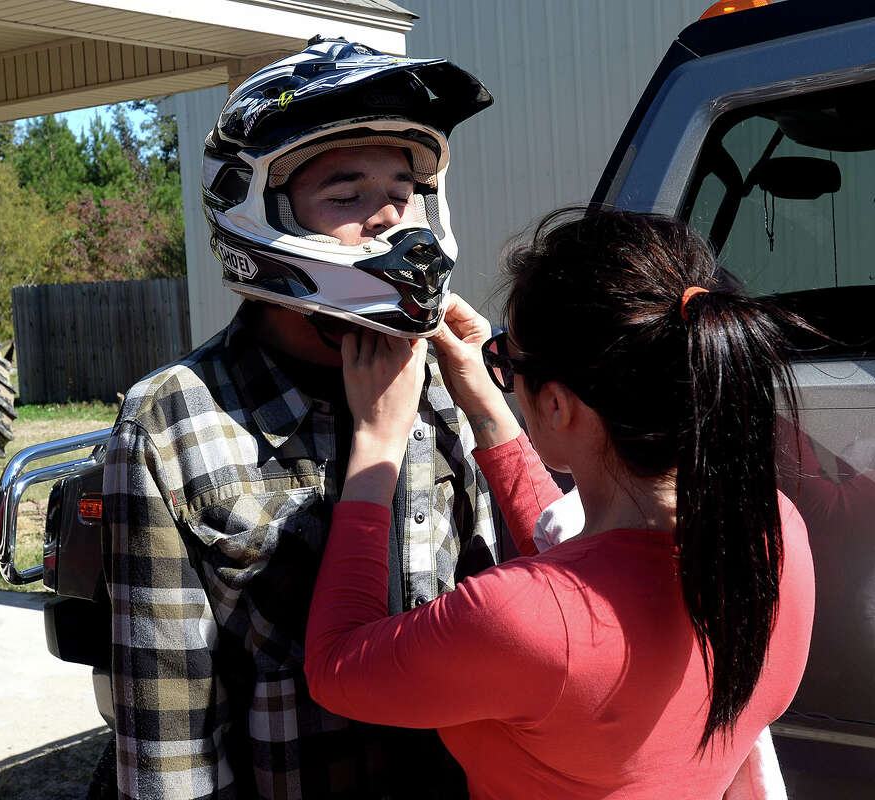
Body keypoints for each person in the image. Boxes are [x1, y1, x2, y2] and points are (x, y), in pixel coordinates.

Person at [304, 208, 817, 798]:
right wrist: (489, 408)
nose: (503, 376)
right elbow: (585, 571)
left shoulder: (516, 619)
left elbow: (336, 665)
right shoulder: (773, 532)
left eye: (508, 363)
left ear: (556, 406)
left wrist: (376, 442)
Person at [102, 38, 498, 799]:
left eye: (404, 189)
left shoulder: (444, 384)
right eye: (347, 196)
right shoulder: (174, 420)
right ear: (261, 212)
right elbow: (169, 740)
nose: (390, 218)